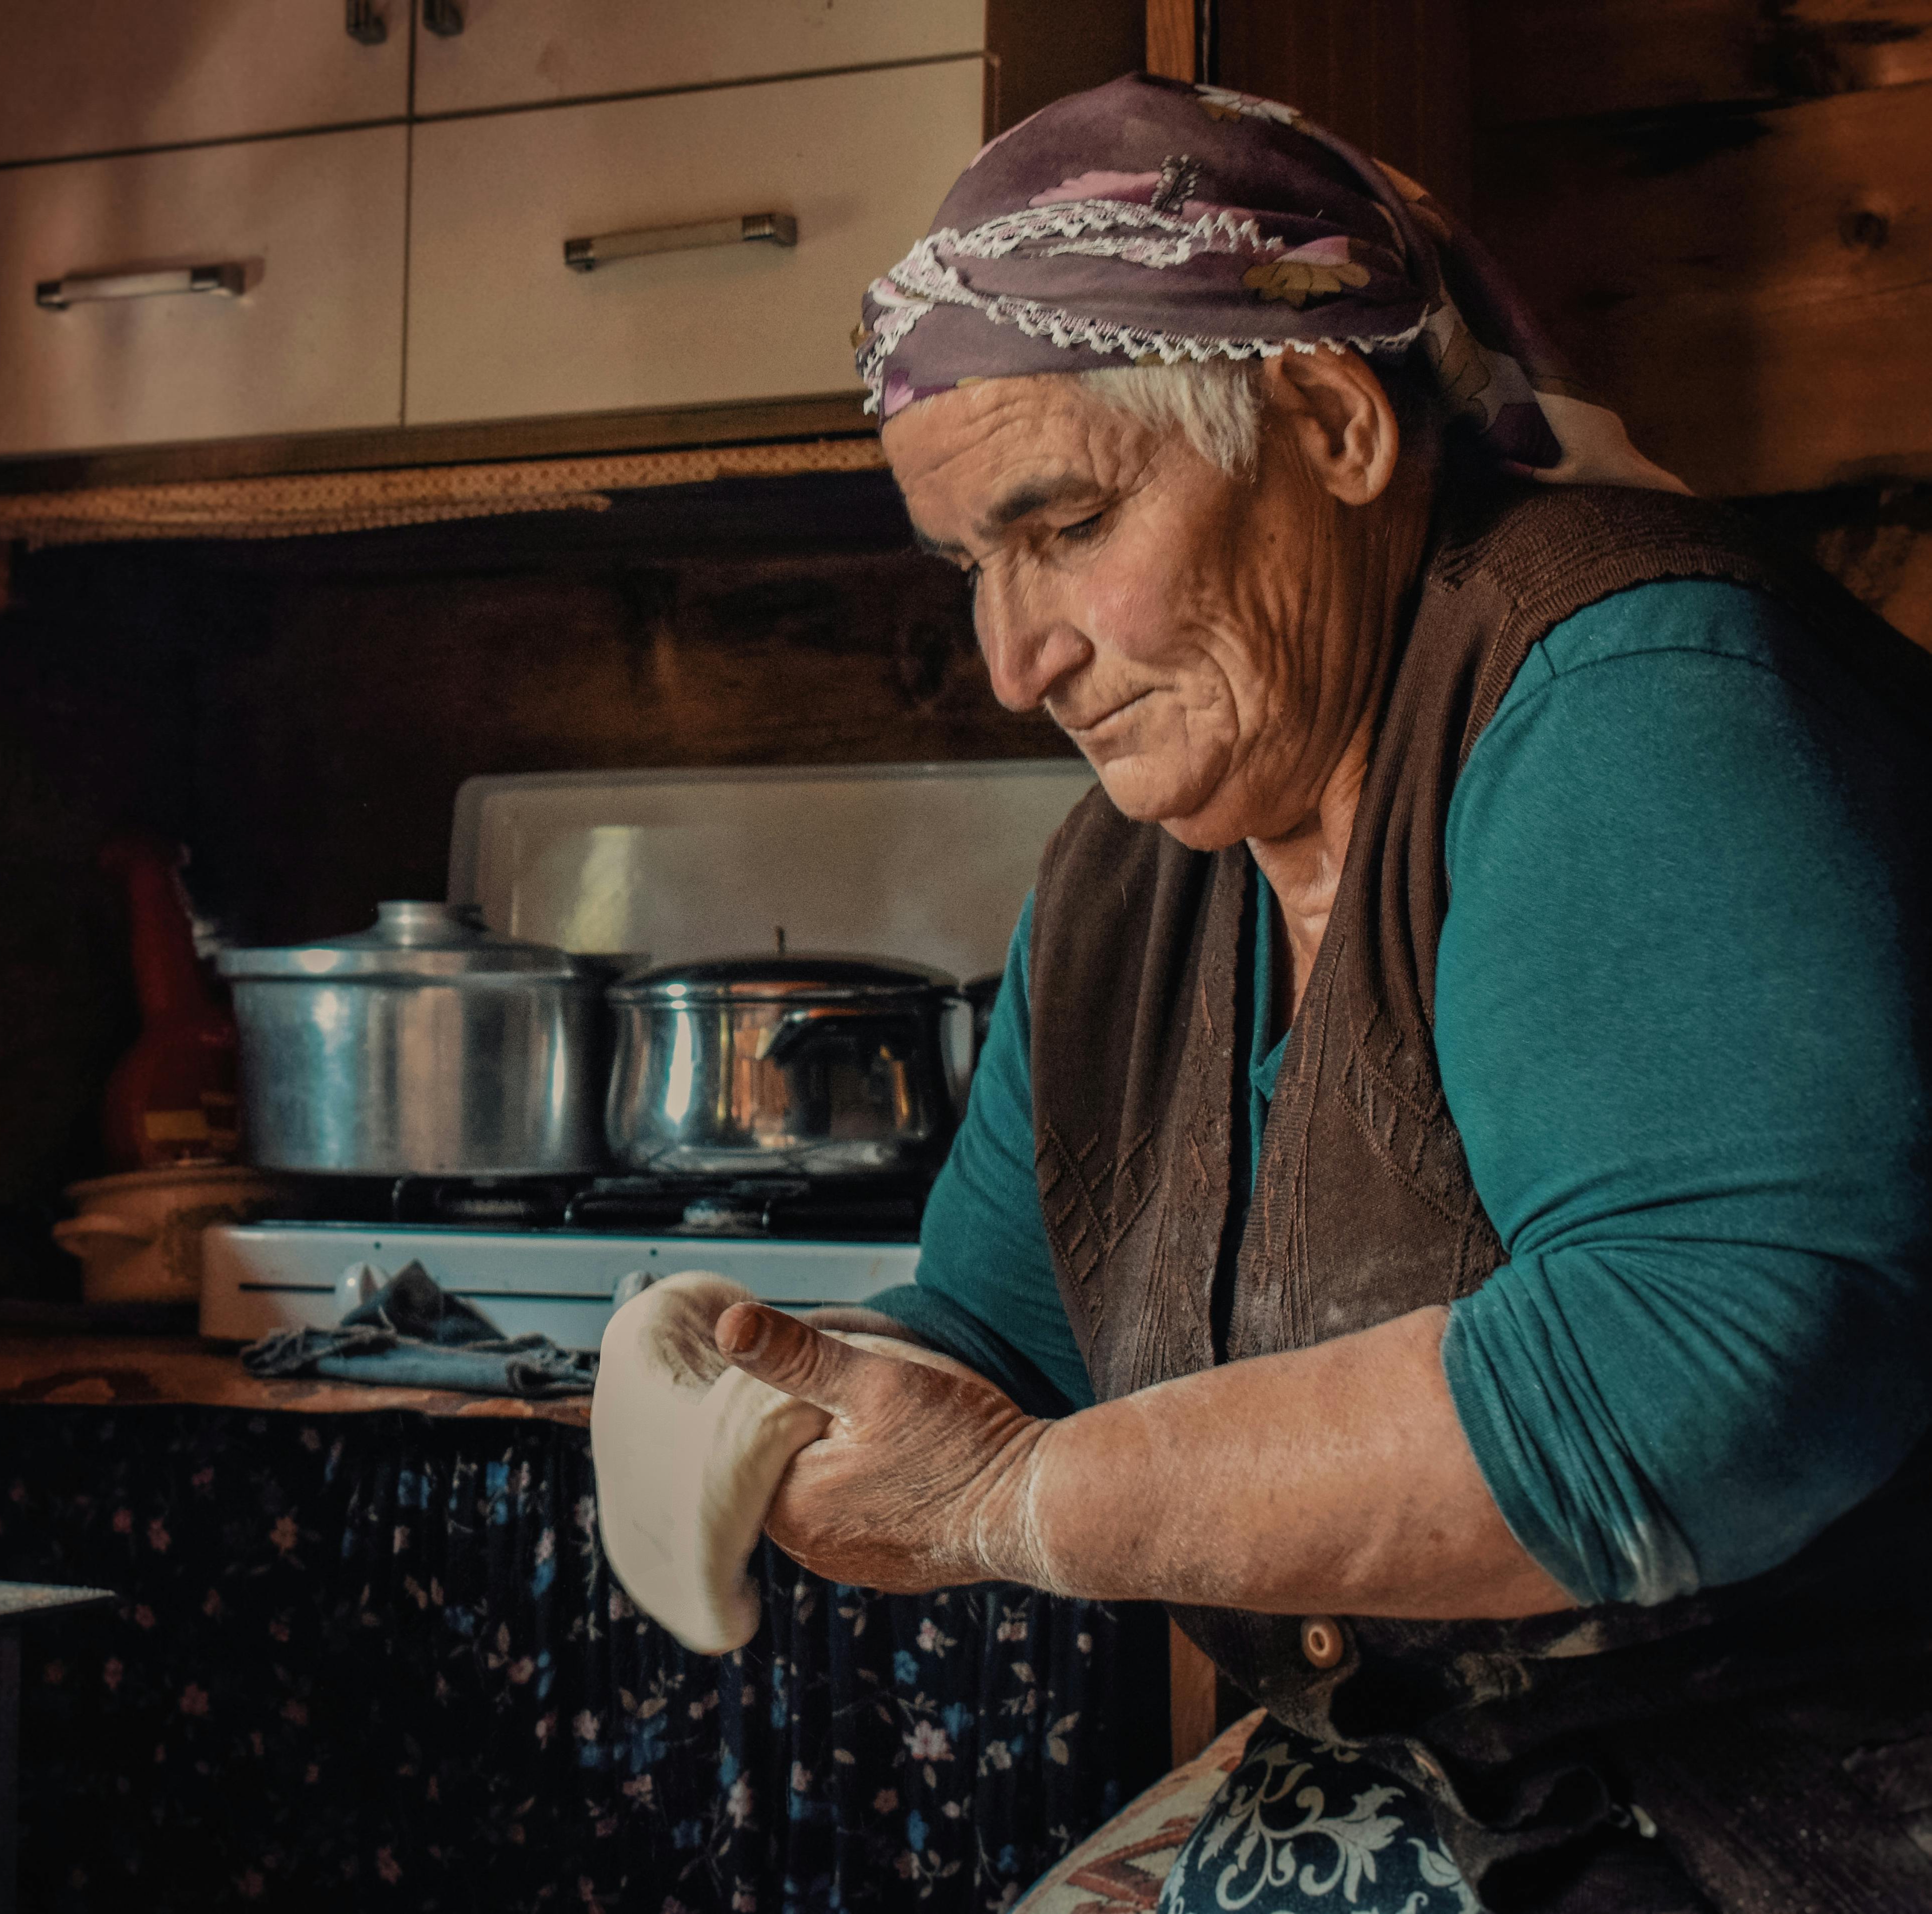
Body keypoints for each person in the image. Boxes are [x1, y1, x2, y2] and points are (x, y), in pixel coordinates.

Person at [710, 73, 1932, 1914]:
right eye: (977, 567)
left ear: (1334, 422)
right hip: (1467, 1784)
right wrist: (793, 1403)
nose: (1014, 659)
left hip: (1813, 1797)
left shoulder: (1632, 689)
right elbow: (1006, 1340)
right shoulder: (1132, 877)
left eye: (1062, 529)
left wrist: (1010, 1508)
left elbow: (1727, 1357)